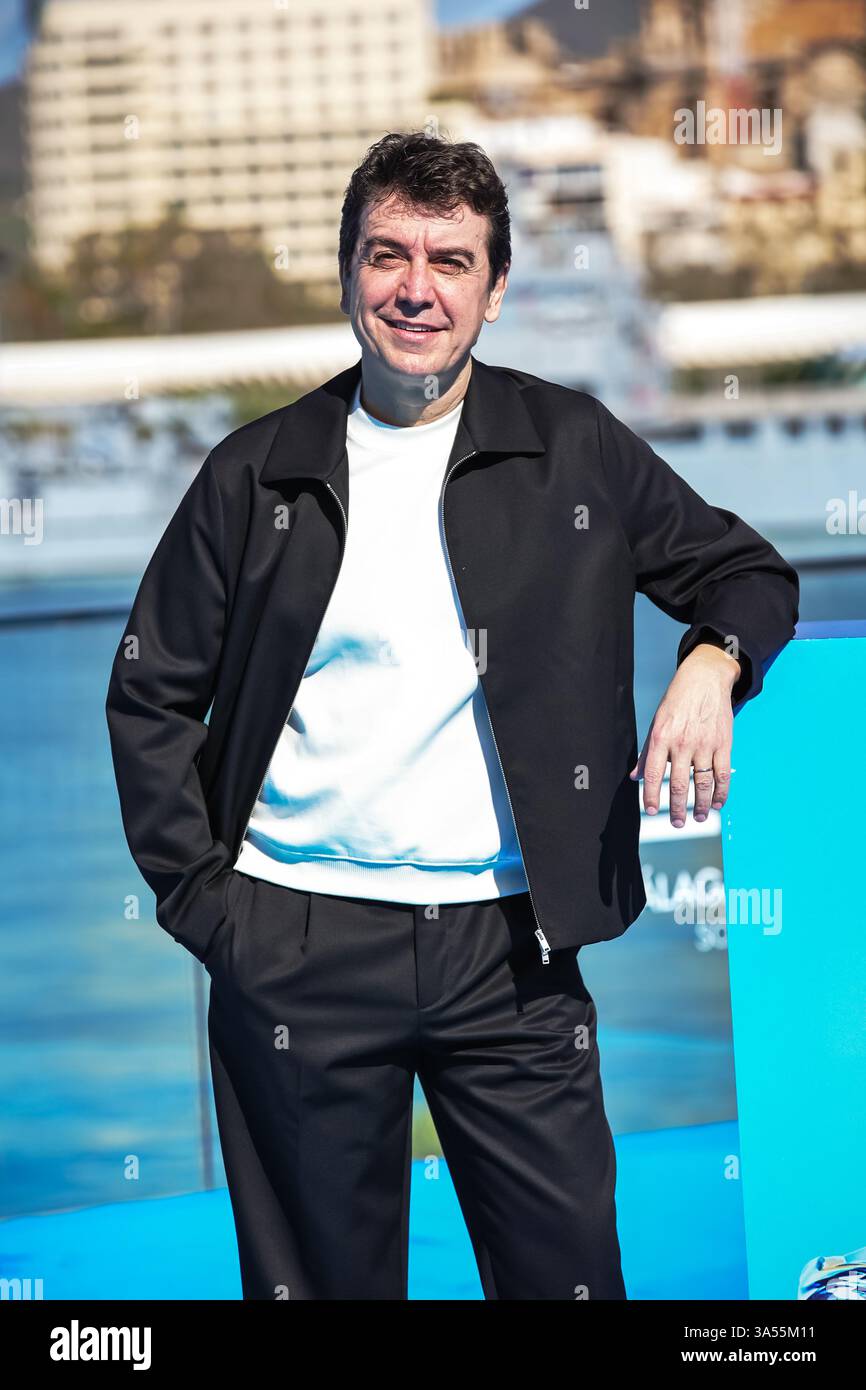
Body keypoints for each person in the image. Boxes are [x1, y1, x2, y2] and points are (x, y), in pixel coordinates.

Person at [105, 131, 800, 1300]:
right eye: (386, 255)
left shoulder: (570, 446)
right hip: (296, 945)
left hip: (512, 955)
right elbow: (149, 691)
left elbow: (747, 575)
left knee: (567, 1276)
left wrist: (710, 661)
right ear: (346, 273)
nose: (414, 288)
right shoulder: (253, 472)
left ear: (494, 287)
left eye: (449, 259)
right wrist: (214, 914)